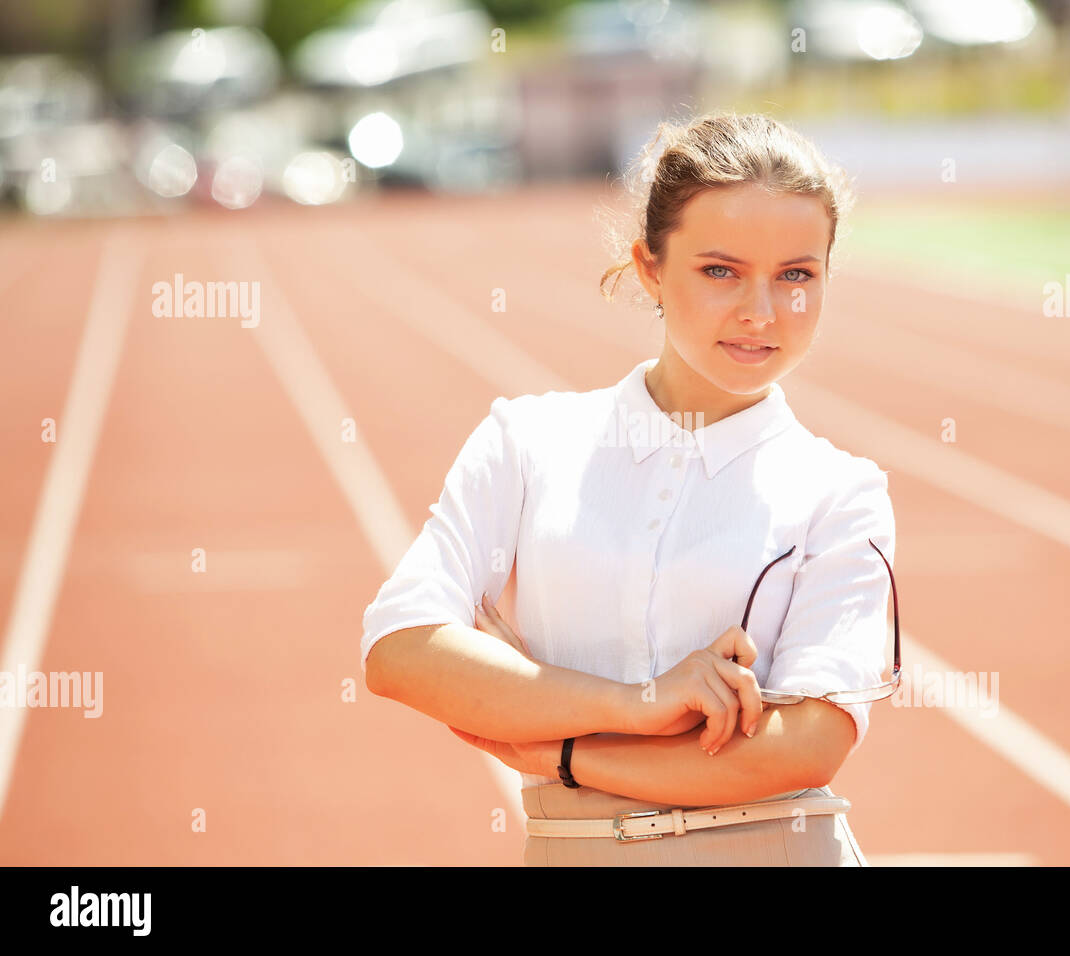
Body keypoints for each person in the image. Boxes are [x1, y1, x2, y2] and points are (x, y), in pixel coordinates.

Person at [360, 110, 895, 866]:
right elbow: (402, 650)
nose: (761, 311)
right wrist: (640, 705)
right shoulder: (528, 441)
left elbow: (804, 750)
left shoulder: (843, 492)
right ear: (650, 267)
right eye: (720, 270)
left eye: (796, 276)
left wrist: (566, 758)